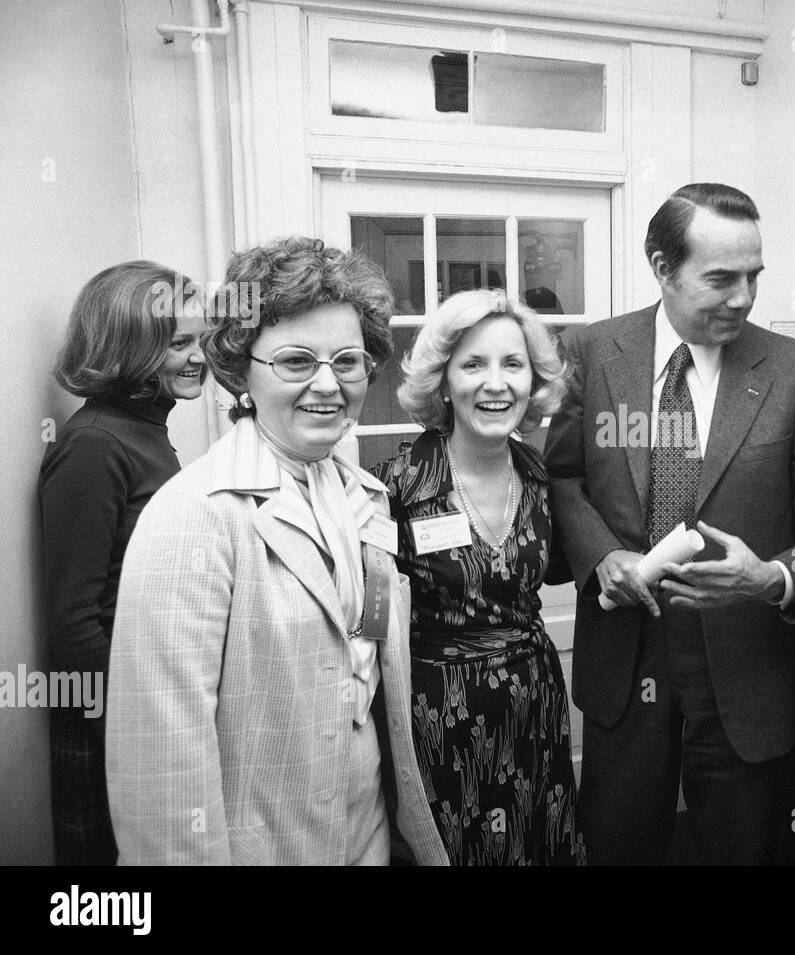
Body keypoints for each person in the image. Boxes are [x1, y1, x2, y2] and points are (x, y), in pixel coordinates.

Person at [105, 237, 448, 865]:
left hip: (363, 829)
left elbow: (363, 648)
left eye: (347, 361)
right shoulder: (194, 515)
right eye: (296, 361)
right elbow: (161, 768)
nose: (327, 384)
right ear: (241, 371)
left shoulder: (364, 497)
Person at [545, 182, 795, 865]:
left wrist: (773, 576)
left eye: (754, 277)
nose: (743, 298)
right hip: (628, 657)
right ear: (662, 267)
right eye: (721, 278)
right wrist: (601, 557)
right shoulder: (594, 353)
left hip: (745, 664)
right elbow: (562, 477)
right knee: (619, 845)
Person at [368, 288, 584, 866]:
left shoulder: (542, 479)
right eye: (473, 364)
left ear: (533, 380)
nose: (496, 383)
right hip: (439, 717)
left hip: (533, 705)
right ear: (442, 381)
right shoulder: (393, 488)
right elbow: (365, 628)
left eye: (513, 364)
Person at [39, 261, 206, 865]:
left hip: (148, 705)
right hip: (113, 723)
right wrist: (136, 729)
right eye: (179, 343)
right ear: (130, 348)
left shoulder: (145, 432)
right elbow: (73, 624)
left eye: (200, 339)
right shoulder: (95, 444)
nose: (199, 358)